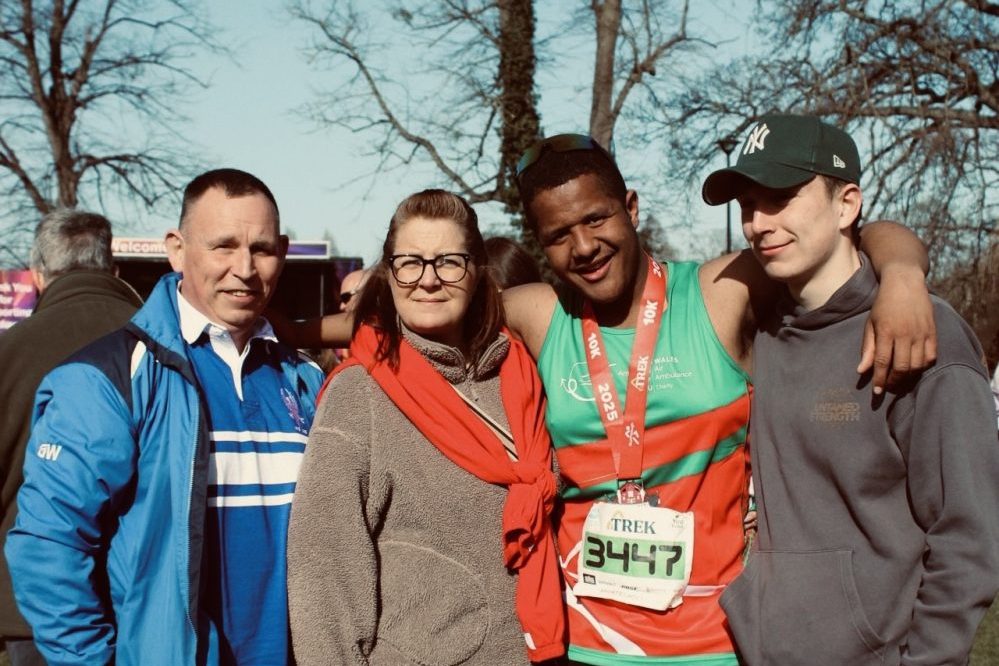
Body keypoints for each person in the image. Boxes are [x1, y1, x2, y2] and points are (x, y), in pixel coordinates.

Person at [284, 135, 936, 665]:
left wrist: (903, 276)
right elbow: (420, 308)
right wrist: (282, 330)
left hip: (719, 641)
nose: (584, 246)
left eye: (596, 218)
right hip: (586, 644)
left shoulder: (719, 291)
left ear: (630, 206)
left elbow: (857, 236)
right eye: (558, 234)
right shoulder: (541, 314)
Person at [702, 113, 999, 665]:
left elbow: (967, 539)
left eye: (781, 197)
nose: (758, 224)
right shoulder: (761, 328)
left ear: (846, 205)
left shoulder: (922, 332)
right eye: (747, 205)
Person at [5, 169, 325, 666]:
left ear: (281, 253)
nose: (244, 268)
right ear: (176, 249)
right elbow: (49, 546)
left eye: (261, 249)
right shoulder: (108, 377)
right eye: (223, 246)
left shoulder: (303, 379)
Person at [287, 189, 564, 664]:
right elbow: (324, 576)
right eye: (410, 263)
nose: (428, 280)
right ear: (389, 273)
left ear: (477, 271)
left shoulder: (523, 373)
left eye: (449, 262)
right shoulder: (358, 394)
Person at [0, 210, 143, 666]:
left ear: (38, 275)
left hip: (30, 608)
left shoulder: (8, 350)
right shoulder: (159, 343)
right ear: (113, 269)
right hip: (141, 596)